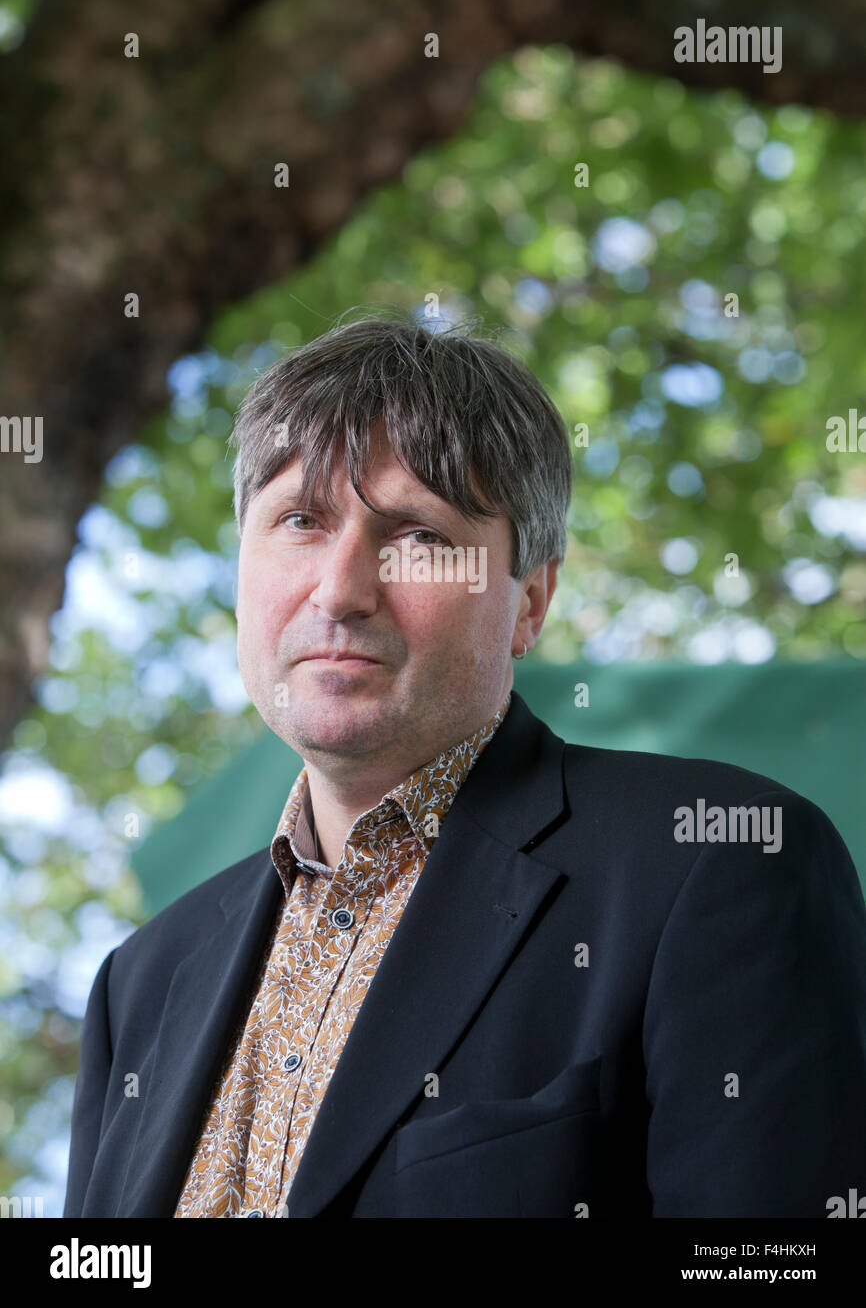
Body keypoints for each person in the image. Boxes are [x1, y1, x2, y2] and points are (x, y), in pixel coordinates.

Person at [64, 314, 866, 1218]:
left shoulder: (721, 864)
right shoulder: (138, 986)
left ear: (529, 601)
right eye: (299, 520)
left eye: (416, 534)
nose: (339, 589)